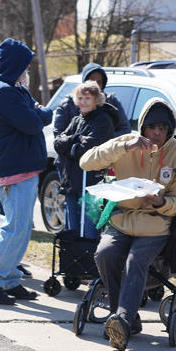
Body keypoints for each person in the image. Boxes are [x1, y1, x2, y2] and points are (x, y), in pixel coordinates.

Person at [80, 98, 176, 351]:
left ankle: (121, 319)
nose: (157, 133)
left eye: (163, 128)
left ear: (170, 128)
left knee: (136, 260)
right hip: (122, 219)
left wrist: (160, 201)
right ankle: (124, 321)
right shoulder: (126, 142)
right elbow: (86, 161)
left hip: (157, 223)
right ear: (143, 127)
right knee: (105, 254)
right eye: (152, 127)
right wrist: (124, 148)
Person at [0, 38, 52, 305]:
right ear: (17, 65)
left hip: (22, 169)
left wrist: (38, 112)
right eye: (25, 65)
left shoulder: (13, 89)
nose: (27, 71)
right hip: (13, 171)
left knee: (21, 229)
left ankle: (8, 279)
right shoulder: (2, 91)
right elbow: (33, 122)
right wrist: (38, 112)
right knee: (14, 229)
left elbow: (41, 114)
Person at [53, 81, 120, 238]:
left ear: (96, 99)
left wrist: (69, 144)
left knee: (88, 232)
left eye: (87, 98)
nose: (83, 102)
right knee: (73, 230)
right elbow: (58, 144)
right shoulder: (77, 120)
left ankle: (89, 261)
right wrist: (75, 138)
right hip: (71, 183)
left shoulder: (104, 120)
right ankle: (73, 261)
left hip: (90, 186)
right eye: (80, 98)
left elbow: (86, 151)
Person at [53, 62, 131, 138]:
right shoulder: (68, 104)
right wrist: (77, 140)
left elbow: (125, 130)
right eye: (91, 81)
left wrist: (103, 141)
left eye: (99, 82)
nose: (95, 85)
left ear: (103, 84)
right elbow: (59, 136)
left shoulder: (111, 102)